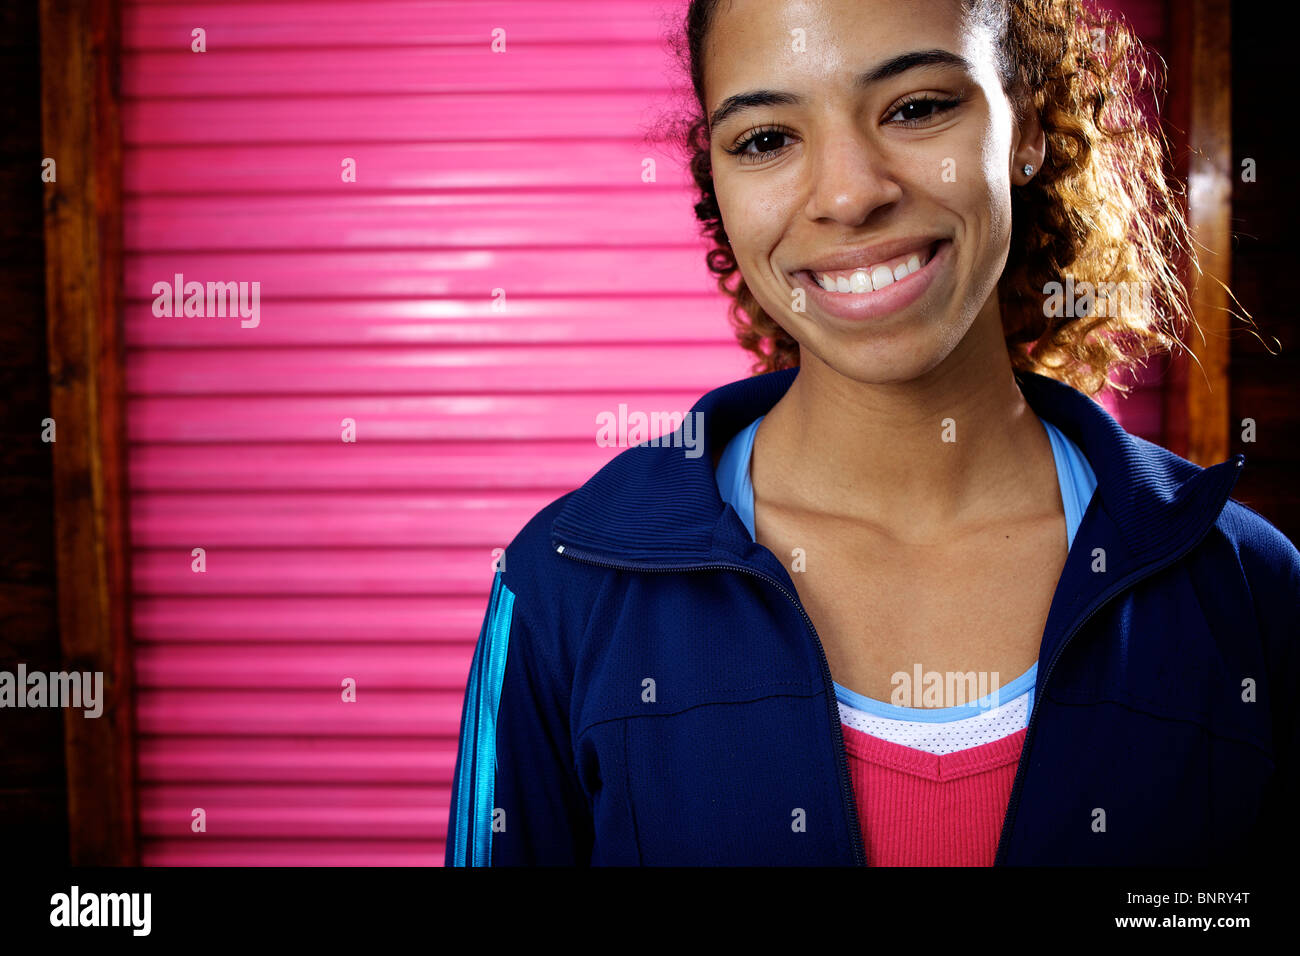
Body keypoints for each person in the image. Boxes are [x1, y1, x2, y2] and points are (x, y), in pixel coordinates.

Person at [445, 0, 1299, 866]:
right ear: (718, 180)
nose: (850, 194)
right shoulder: (566, 584)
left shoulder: (1250, 589)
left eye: (918, 108)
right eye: (767, 139)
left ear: (1027, 130)